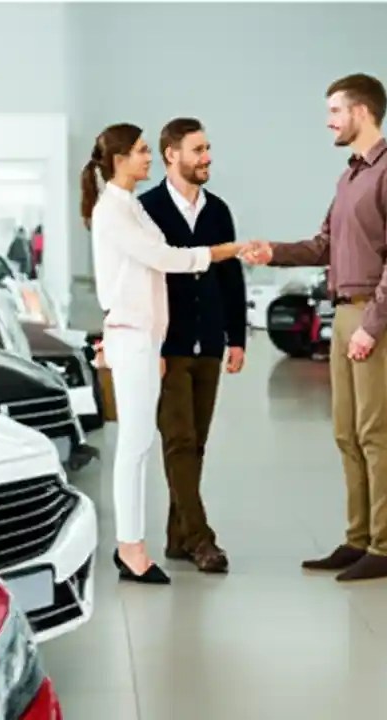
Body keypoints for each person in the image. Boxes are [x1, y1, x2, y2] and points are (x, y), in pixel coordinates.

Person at [241, 73, 387, 582]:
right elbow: (323, 244)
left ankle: (386, 548)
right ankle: (357, 538)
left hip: (372, 314)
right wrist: (273, 252)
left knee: (373, 432)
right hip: (342, 312)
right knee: (345, 431)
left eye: (335, 112)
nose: (329, 122)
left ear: (361, 111)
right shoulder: (349, 177)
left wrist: (373, 322)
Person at [81, 122, 242, 585]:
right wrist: (223, 251)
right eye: (140, 151)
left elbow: (160, 253)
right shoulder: (113, 210)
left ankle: (140, 544)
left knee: (142, 444)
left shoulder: (131, 207)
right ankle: (130, 549)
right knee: (134, 446)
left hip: (146, 338)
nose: (147, 158)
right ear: (118, 160)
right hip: (132, 336)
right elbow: (167, 258)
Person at [138, 117, 245, 574]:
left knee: (195, 443)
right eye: (198, 150)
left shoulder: (217, 209)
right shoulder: (147, 210)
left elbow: (230, 274)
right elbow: (142, 280)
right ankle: (202, 540)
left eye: (208, 149)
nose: (207, 158)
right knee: (178, 441)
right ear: (171, 155)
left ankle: (176, 537)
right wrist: (151, 344)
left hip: (210, 346)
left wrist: (236, 337)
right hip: (168, 345)